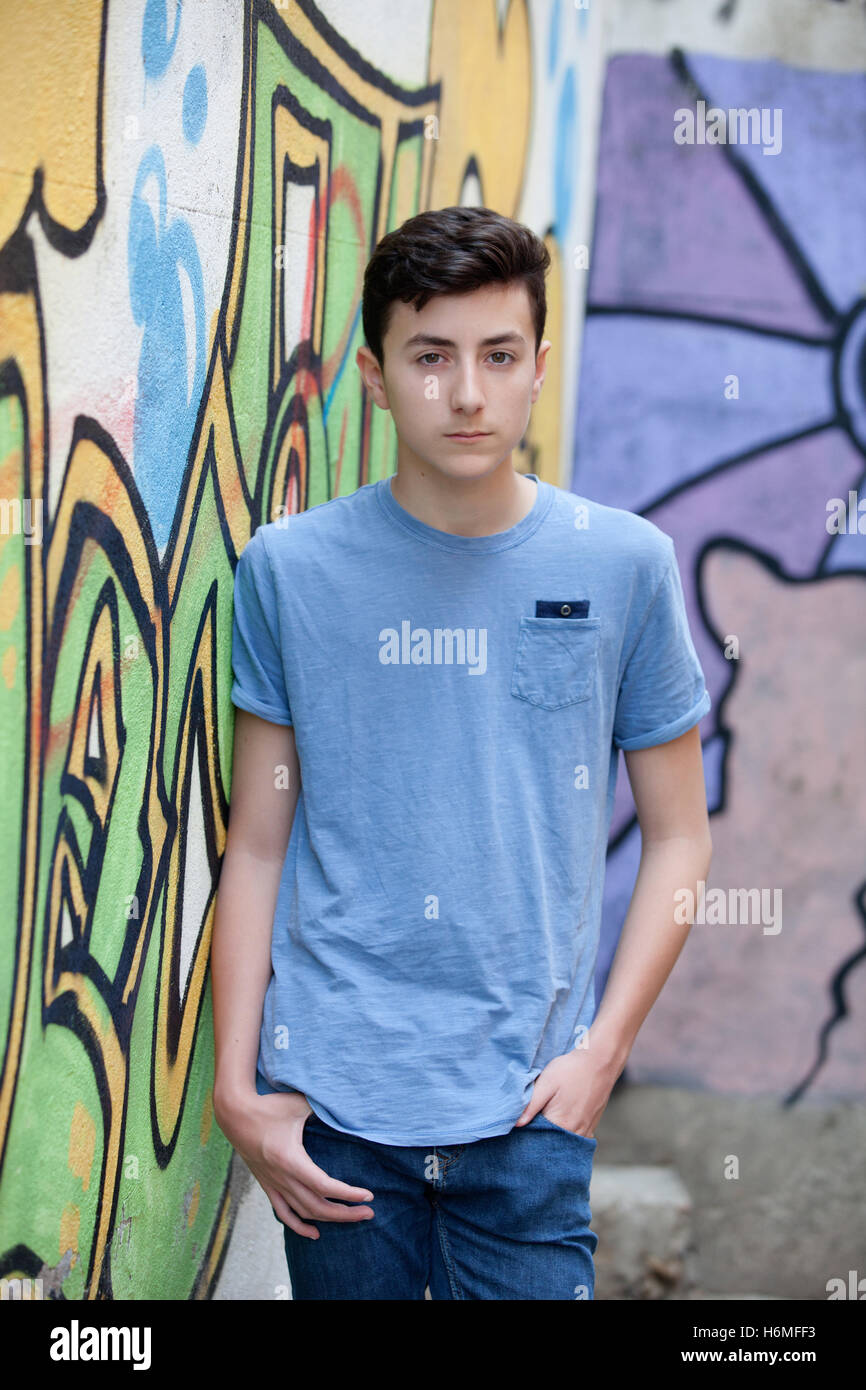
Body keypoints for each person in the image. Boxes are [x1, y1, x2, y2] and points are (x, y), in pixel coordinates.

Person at [210, 205, 713, 1300]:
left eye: (495, 355)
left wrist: (601, 1055)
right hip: (335, 1118)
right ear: (377, 376)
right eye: (429, 356)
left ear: (538, 366)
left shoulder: (623, 564)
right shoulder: (290, 571)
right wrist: (235, 1089)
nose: (466, 392)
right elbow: (256, 842)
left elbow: (679, 839)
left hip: (529, 1106)